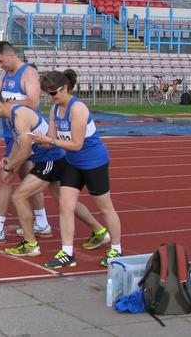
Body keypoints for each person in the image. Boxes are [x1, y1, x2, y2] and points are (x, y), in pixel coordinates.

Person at [0, 87, 108, 257]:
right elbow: (17, 143)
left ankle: (31, 244)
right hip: (51, 159)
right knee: (63, 201)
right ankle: (100, 230)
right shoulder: (10, 118)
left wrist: (10, 167)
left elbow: (25, 151)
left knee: (19, 196)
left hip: (52, 159)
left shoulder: (19, 115)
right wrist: (9, 158)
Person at [30, 69, 123, 268]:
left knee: (105, 208)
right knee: (65, 205)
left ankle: (116, 248)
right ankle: (67, 252)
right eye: (47, 93)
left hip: (93, 162)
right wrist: (36, 141)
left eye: (53, 92)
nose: (50, 97)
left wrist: (50, 141)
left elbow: (76, 144)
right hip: (73, 163)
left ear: (65, 89)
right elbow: (51, 140)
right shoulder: (55, 110)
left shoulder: (78, 109)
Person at [0, 40, 51, 243]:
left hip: (26, 135)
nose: (0, 66)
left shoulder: (28, 74)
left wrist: (6, 105)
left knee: (5, 177)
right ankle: (42, 223)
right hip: (13, 135)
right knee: (28, 178)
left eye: (1, 61)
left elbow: (33, 102)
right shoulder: (5, 76)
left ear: (10, 55)